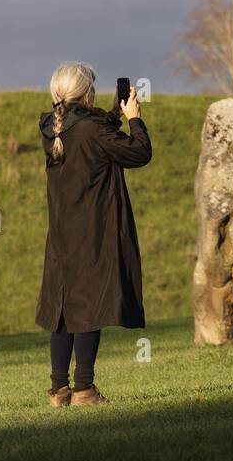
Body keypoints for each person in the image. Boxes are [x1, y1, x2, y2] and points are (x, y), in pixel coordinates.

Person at [35, 61, 151, 407]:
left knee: (63, 307)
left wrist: (115, 112)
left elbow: (92, 133)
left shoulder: (52, 128)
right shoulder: (90, 131)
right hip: (94, 231)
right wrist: (134, 118)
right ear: (87, 92)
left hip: (61, 233)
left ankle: (59, 390)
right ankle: (84, 389)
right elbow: (139, 153)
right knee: (89, 305)